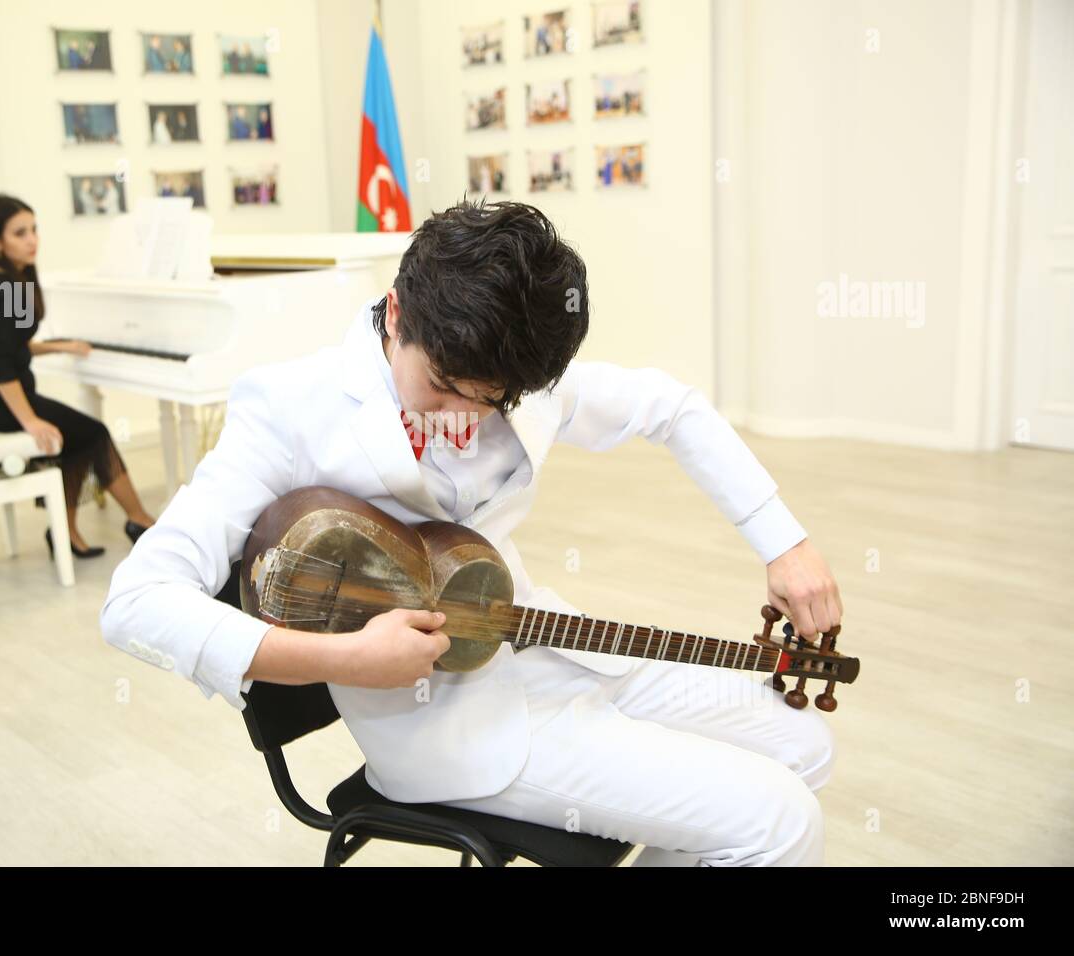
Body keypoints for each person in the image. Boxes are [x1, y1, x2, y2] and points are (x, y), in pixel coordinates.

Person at [100, 199, 845, 866]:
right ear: (397, 314)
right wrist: (345, 659)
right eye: (446, 387)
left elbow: (671, 407)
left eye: (493, 401)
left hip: (546, 643)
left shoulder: (509, 367)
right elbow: (135, 602)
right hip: (446, 726)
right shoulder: (289, 410)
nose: (465, 417)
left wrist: (783, 542)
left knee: (805, 745)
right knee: (778, 822)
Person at [0, 194, 157, 558]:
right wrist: (31, 421)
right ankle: (139, 519)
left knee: (79, 437)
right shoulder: (7, 290)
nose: (32, 240)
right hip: (3, 402)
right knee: (93, 433)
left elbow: (10, 348)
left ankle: (67, 530)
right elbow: (2, 368)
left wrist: (60, 346)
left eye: (34, 230)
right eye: (20, 233)